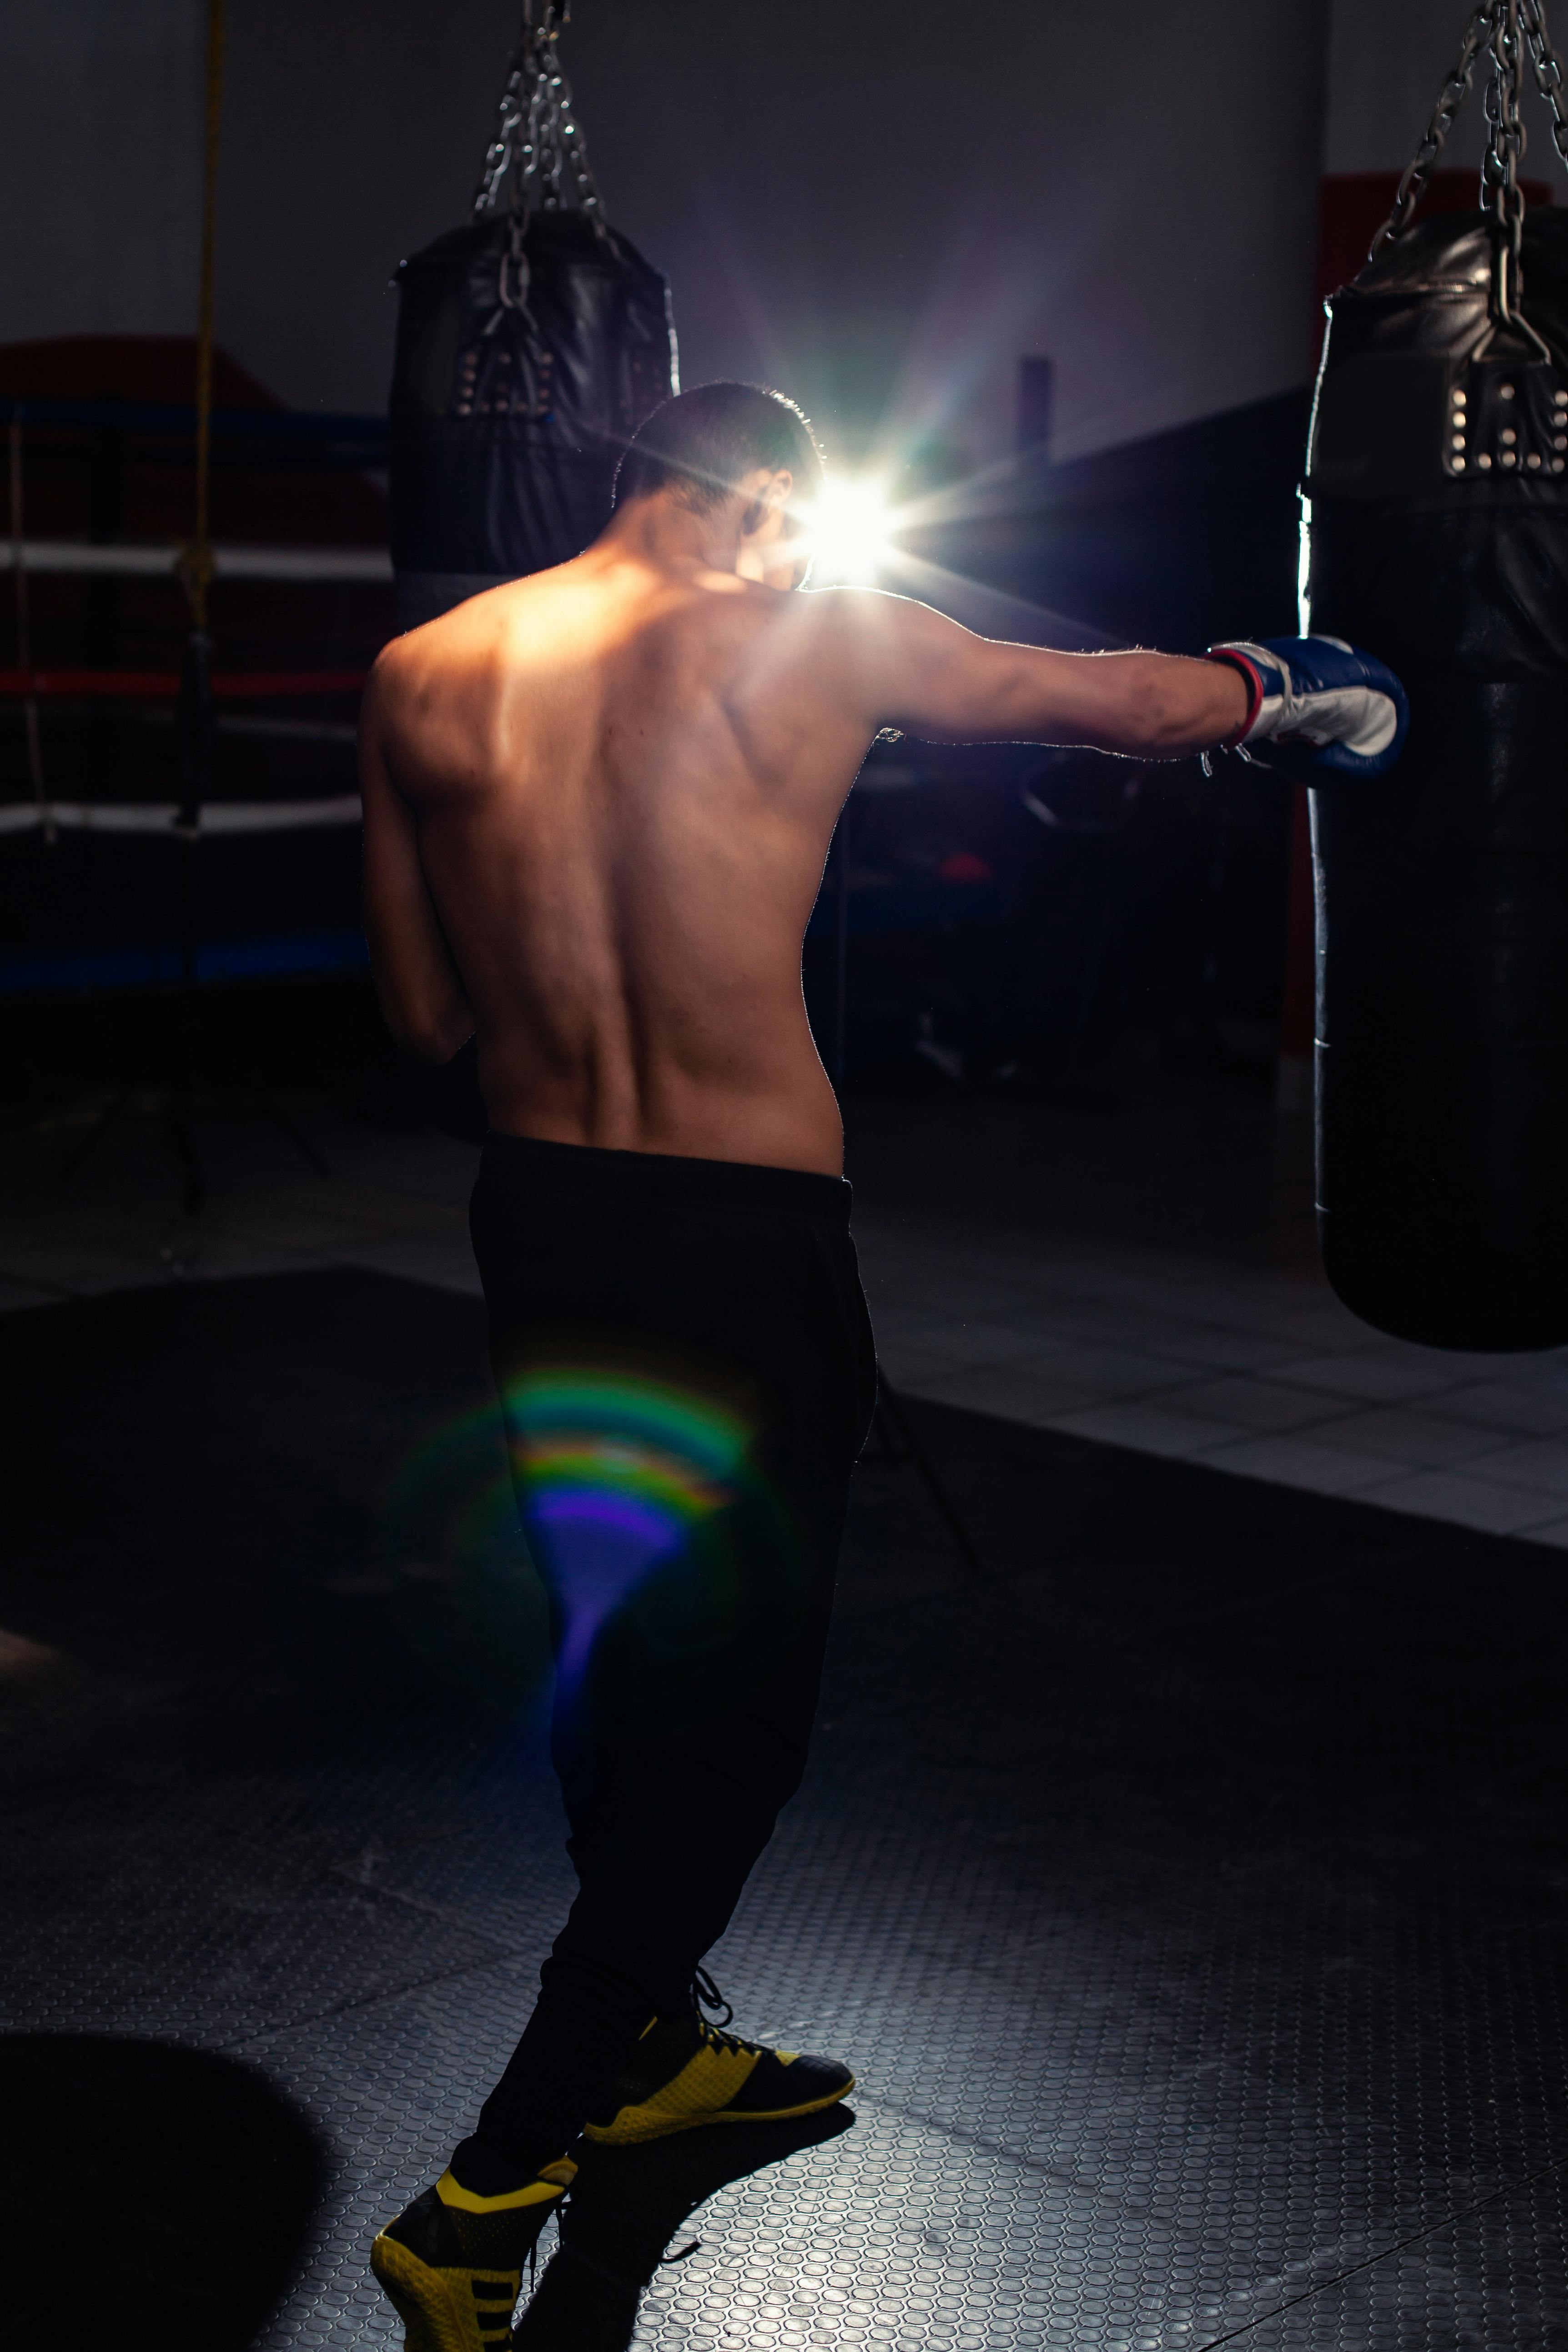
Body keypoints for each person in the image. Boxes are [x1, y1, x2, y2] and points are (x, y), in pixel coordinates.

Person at [359, 379, 1406, 2351]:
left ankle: (653, 2053)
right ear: (768, 494)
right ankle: (488, 2191)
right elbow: (1124, 703)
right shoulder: (817, 633)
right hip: (738, 1252)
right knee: (734, 1737)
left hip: (543, 1224)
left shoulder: (424, 667)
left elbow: (419, 1017)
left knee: (615, 1644)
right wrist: (1300, 687)